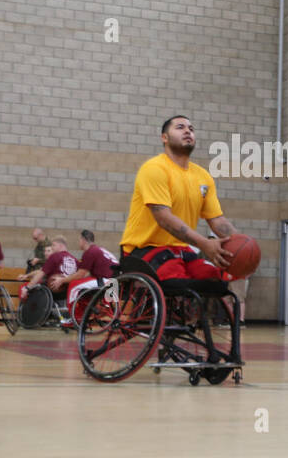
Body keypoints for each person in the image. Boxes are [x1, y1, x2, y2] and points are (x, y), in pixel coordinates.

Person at [120, 115, 244, 358]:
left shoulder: (203, 177)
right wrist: (204, 243)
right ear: (164, 138)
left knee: (214, 279)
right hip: (143, 248)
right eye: (180, 127)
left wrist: (241, 245)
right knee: (179, 281)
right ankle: (168, 323)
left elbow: (217, 220)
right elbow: (163, 218)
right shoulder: (154, 169)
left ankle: (201, 338)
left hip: (181, 250)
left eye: (191, 128)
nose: (188, 131)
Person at [58, 229, 117, 319]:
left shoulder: (90, 251)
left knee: (73, 285)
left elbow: (80, 275)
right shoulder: (99, 249)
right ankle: (85, 315)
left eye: (79, 240)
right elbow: (86, 274)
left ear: (83, 239)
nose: (79, 242)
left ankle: (74, 317)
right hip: (115, 281)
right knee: (82, 284)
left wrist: (62, 280)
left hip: (106, 281)